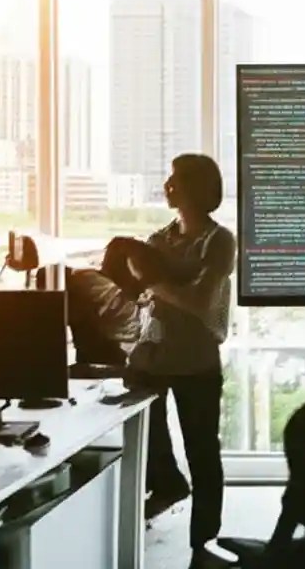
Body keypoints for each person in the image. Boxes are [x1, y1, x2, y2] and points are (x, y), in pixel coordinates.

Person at [112, 153, 235, 564]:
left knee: (203, 451)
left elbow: (200, 302)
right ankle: (167, 484)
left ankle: (205, 542)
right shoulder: (159, 239)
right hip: (156, 356)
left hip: (197, 361)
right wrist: (158, 284)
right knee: (146, 436)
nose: (167, 186)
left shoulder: (219, 240)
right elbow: (144, 293)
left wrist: (155, 281)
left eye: (176, 180)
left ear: (197, 190)